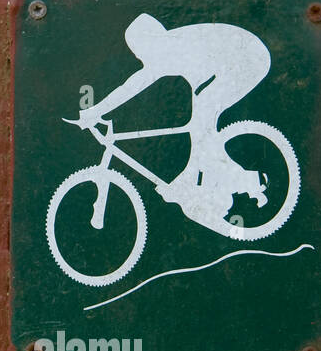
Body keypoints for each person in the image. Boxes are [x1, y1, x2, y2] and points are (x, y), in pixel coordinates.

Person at [73, 12, 272, 233]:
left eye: (139, 50)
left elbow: (131, 87)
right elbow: (133, 84)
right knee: (200, 124)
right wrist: (96, 110)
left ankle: (240, 180)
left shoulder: (167, 49)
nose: (141, 58)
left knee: (202, 117)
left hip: (248, 58)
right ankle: (223, 183)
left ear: (149, 40)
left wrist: (95, 112)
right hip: (237, 61)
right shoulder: (169, 49)